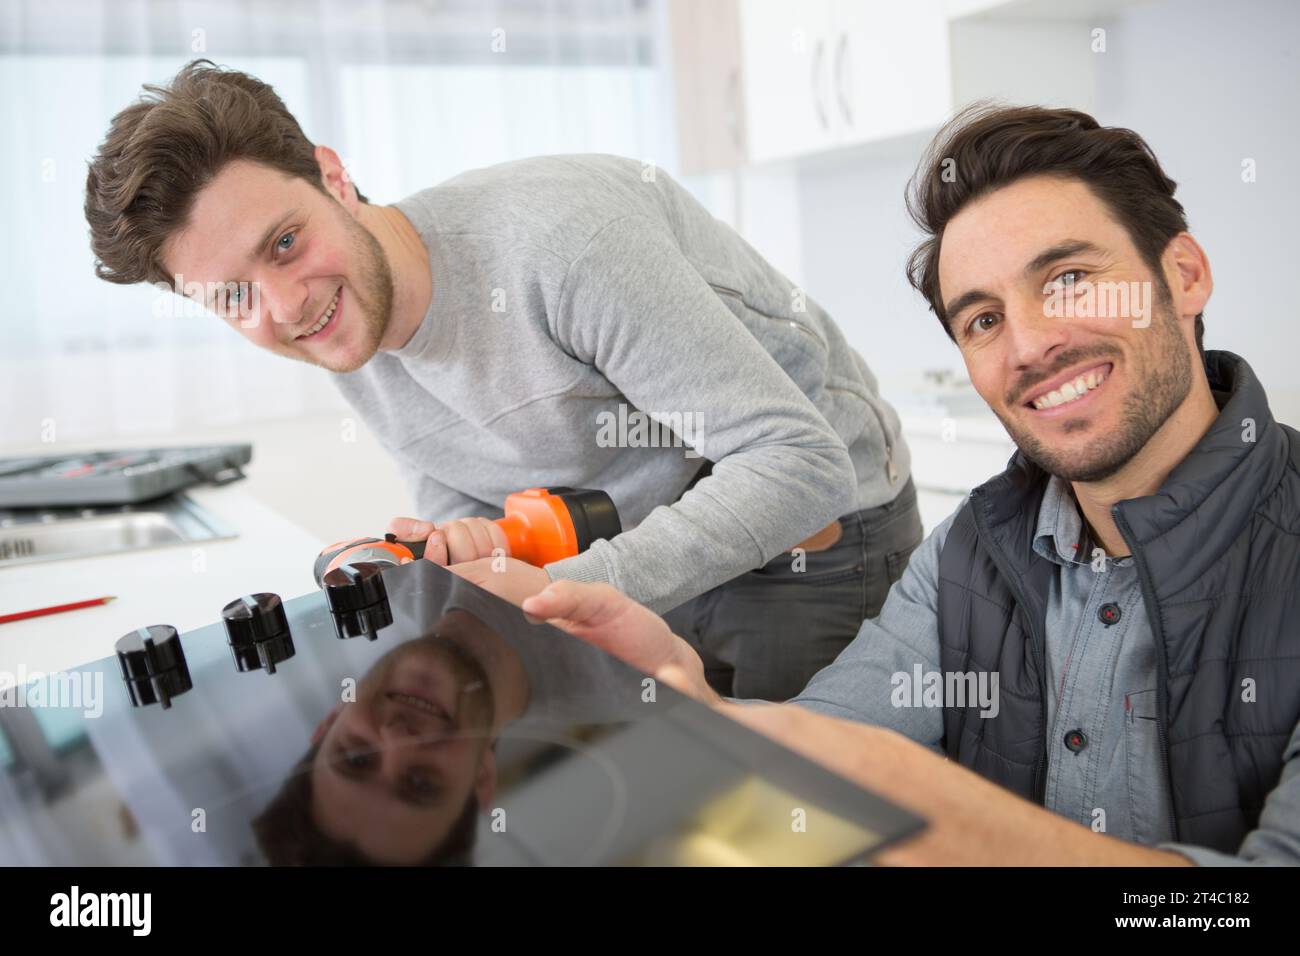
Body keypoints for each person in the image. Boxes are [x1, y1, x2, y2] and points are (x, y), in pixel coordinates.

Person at [462, 104, 1300, 866]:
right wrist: (694, 709)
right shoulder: (970, 555)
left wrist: (950, 820)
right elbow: (825, 749)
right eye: (983, 319)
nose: (1031, 344)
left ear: (1184, 275)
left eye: (1069, 279)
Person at [85, 60, 923, 703]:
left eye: (283, 244)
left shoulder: (563, 245)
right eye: (232, 295)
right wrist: (461, 562)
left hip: (811, 536)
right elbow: (469, 504)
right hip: (638, 546)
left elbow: (799, 464)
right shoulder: (338, 323)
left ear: (332, 177)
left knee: (795, 813)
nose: (284, 306)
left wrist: (560, 591)